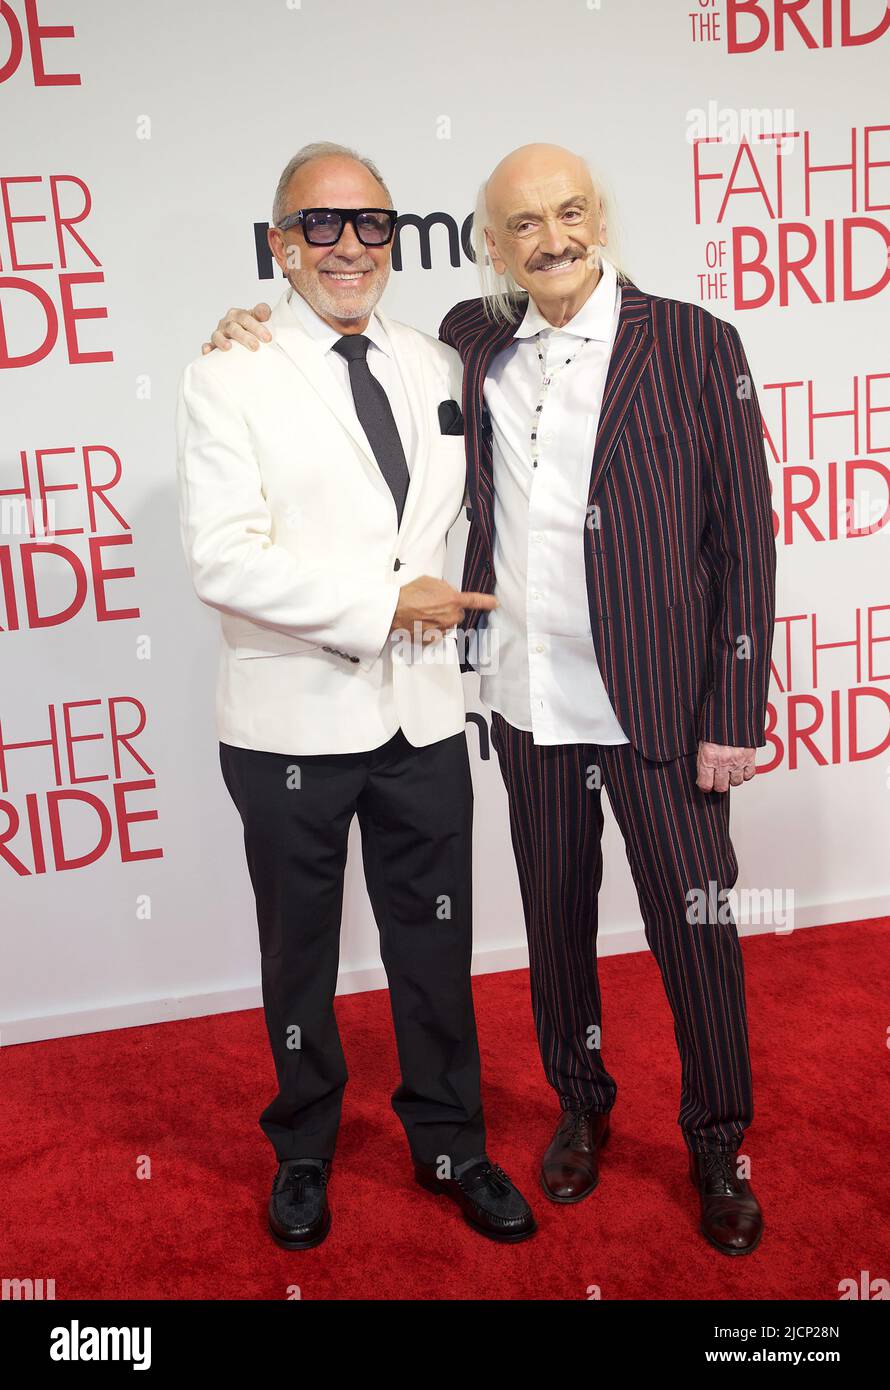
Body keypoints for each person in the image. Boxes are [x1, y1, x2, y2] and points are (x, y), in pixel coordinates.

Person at [202, 142, 777, 1257]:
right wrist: (251, 319)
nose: (549, 238)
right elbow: (316, 348)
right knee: (554, 934)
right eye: (522, 223)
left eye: (567, 212)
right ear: (489, 244)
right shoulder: (470, 342)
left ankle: (716, 1145)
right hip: (522, 703)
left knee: (695, 936)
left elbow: (742, 537)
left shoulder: (696, 342)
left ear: (597, 216)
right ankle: (580, 1106)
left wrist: (734, 711)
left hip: (659, 705)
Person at [176, 141, 536, 1250]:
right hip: (289, 719)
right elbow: (221, 561)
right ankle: (300, 1145)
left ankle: (451, 1143)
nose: (347, 245)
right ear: (280, 246)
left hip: (421, 718)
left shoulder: (437, 362)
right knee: (302, 957)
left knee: (433, 947)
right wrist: (386, 603)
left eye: (370, 224)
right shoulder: (225, 371)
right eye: (320, 226)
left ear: (397, 237)